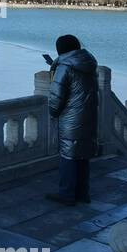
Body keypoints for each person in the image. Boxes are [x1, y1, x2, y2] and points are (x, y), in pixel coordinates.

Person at [43, 34, 99, 205]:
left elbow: (56, 95)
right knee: (83, 155)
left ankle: (67, 193)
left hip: (71, 118)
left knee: (68, 155)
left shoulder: (65, 67)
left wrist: (53, 112)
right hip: (88, 115)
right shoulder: (89, 63)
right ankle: (83, 193)